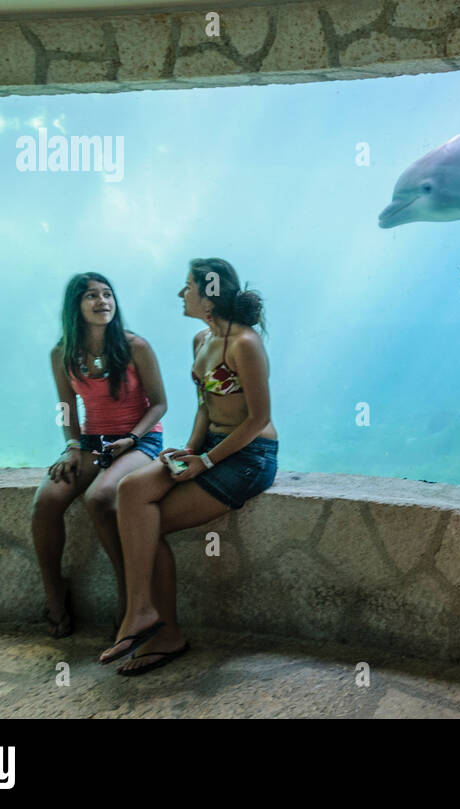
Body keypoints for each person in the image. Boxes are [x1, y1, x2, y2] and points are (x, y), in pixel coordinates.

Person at [98, 258, 278, 676]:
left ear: (209, 296)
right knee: (132, 491)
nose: (182, 294)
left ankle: (163, 631)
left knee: (151, 521)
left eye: (188, 287)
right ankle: (142, 611)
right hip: (210, 446)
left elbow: (257, 418)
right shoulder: (201, 340)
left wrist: (208, 461)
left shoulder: (245, 344)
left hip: (250, 456)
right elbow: (204, 406)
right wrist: (189, 450)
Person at [33, 273, 167, 639]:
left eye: (108, 294)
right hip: (93, 443)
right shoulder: (61, 353)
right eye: (91, 295)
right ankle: (54, 592)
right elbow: (66, 408)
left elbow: (159, 404)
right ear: (75, 305)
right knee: (46, 500)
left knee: (100, 497)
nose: (102, 301)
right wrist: (73, 446)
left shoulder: (136, 346)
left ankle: (129, 599)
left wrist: (132, 437)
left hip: (141, 442)